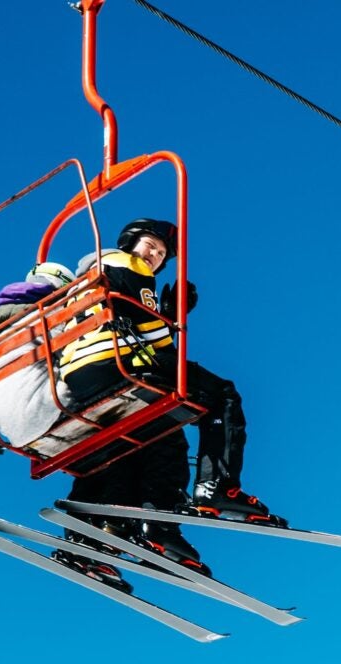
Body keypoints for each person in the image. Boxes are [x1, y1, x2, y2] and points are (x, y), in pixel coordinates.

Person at [57, 220, 275, 575]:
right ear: (130, 243)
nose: (154, 256)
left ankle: (98, 535)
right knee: (221, 394)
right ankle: (216, 488)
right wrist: (172, 317)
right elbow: (153, 337)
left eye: (160, 254)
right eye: (150, 246)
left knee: (141, 443)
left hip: (79, 376)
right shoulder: (129, 265)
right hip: (119, 361)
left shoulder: (83, 283)